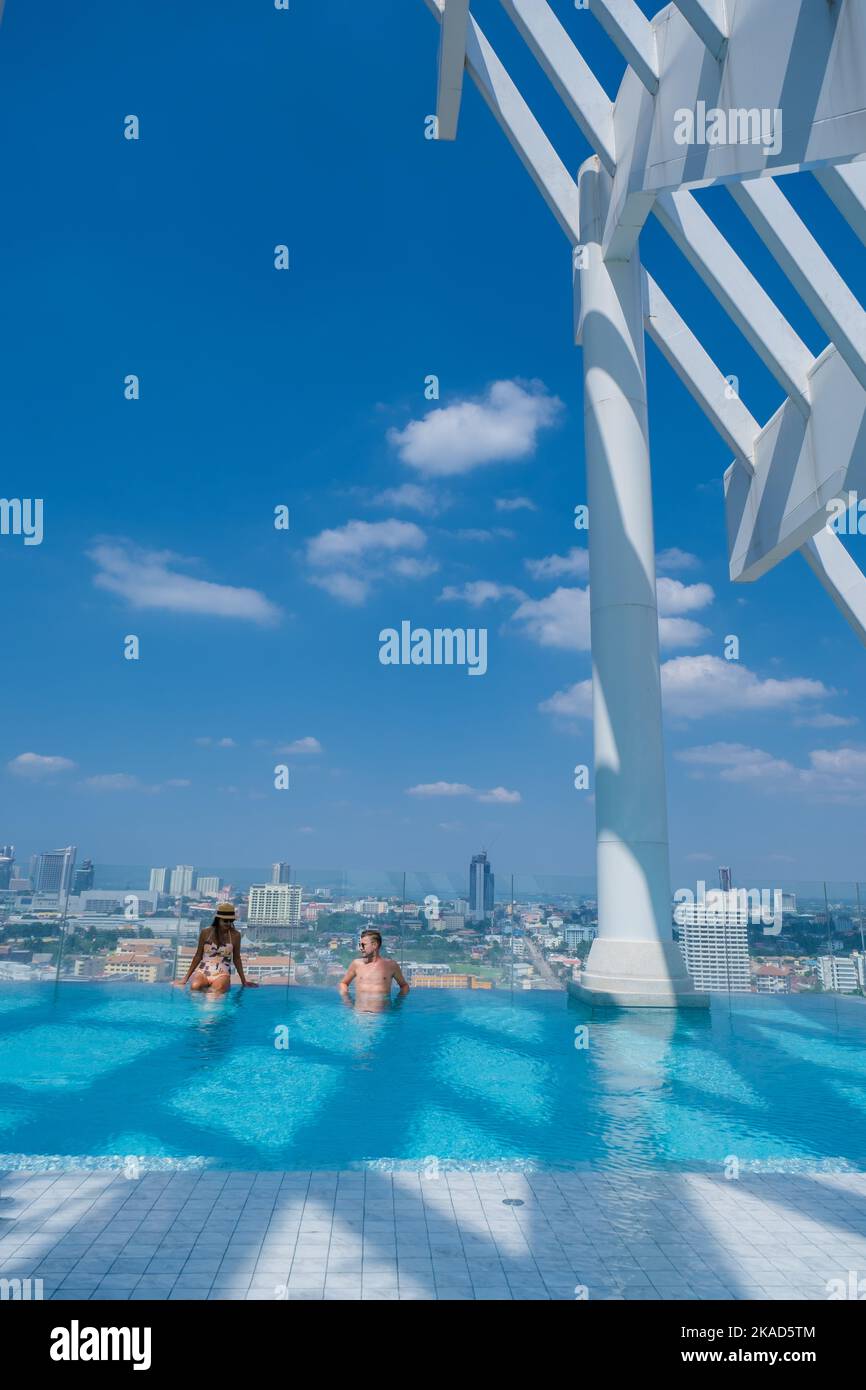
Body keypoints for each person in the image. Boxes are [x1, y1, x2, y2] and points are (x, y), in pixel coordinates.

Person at [174, 902, 258, 992]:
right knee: (195, 987)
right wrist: (185, 978)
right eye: (225, 921)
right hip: (203, 971)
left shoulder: (235, 935)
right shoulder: (205, 932)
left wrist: (243, 981)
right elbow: (198, 956)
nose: (228, 923)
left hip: (222, 973)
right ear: (218, 919)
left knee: (215, 992)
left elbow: (237, 959)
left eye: (231, 921)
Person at [339, 929, 409, 1004]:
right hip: (360, 1014)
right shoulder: (356, 964)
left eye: (363, 945)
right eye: (360, 945)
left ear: (375, 945)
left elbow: (404, 986)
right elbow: (343, 983)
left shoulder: (391, 965)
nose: (361, 948)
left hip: (383, 1014)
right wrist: (346, 999)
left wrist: (398, 1003)